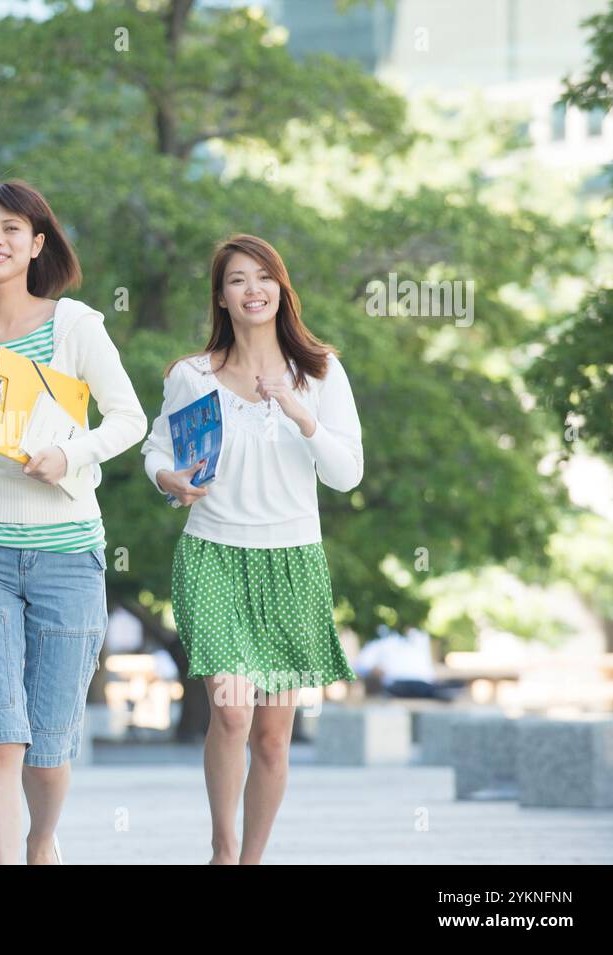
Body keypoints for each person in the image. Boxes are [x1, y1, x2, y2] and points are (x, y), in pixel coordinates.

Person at [0, 180, 147, 864]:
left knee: (48, 741)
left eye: (11, 228)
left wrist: (70, 452)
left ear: (37, 243)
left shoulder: (76, 326)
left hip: (70, 554)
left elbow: (129, 418)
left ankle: (43, 840)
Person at [142, 233, 363, 865]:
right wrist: (169, 480)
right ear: (221, 296)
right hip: (212, 553)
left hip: (292, 562)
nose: (252, 289)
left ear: (281, 289)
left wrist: (300, 413)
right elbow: (158, 448)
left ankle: (251, 859)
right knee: (233, 713)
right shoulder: (192, 376)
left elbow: (346, 473)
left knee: (271, 737)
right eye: (237, 279)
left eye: (263, 277)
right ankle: (222, 848)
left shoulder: (320, 372)